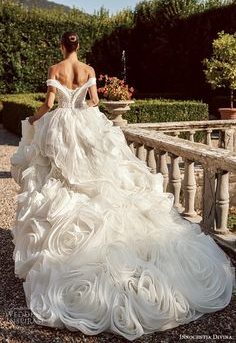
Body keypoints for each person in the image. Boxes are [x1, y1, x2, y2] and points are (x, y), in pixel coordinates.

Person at [11, 30, 234, 341]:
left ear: (62, 46)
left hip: (61, 124)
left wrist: (34, 121)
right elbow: (94, 102)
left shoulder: (55, 70)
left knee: (60, 178)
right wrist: (84, 121)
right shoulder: (88, 70)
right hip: (84, 123)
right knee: (102, 173)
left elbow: (49, 104)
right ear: (79, 46)